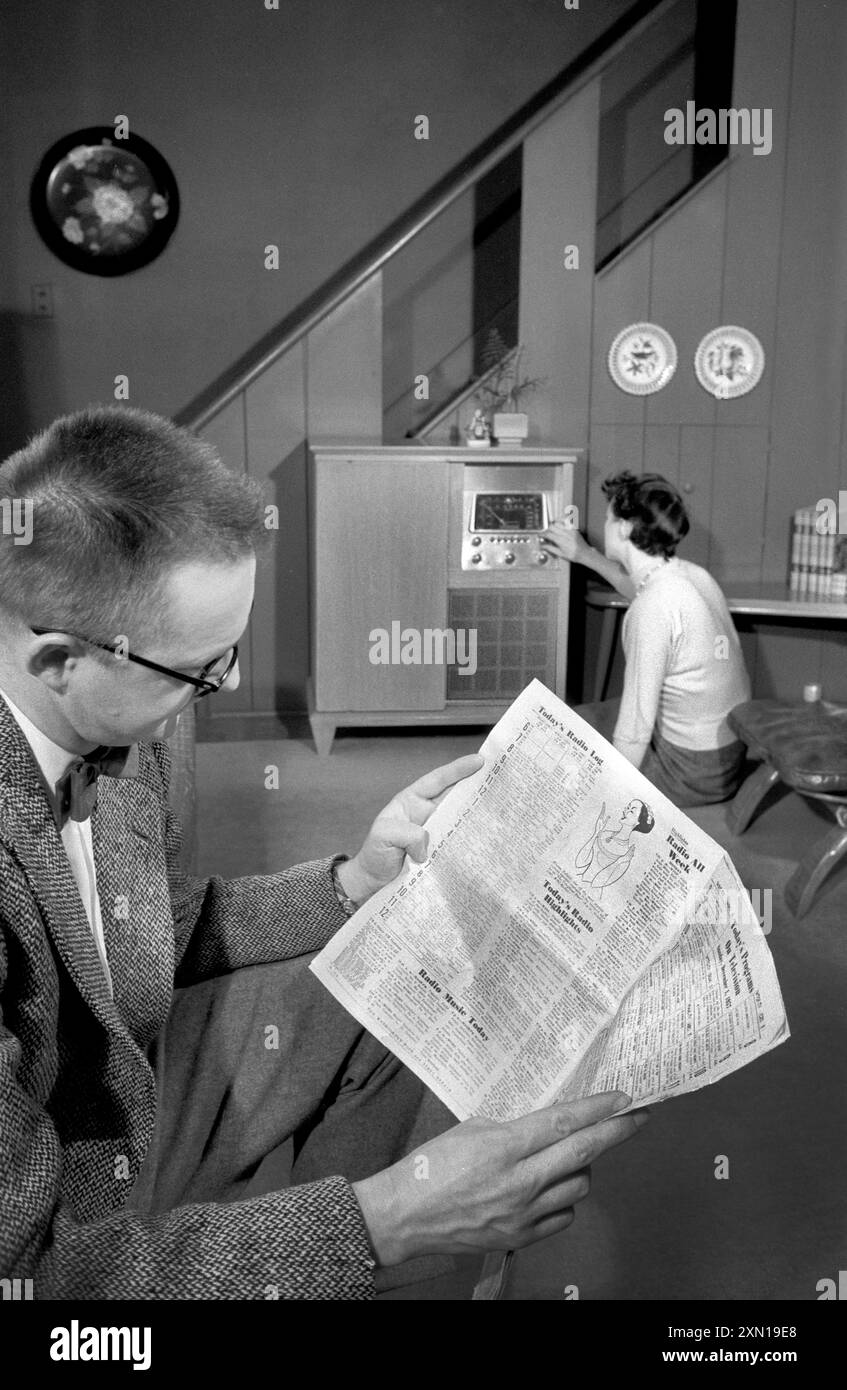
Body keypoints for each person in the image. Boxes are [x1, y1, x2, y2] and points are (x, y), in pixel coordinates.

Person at [0, 406, 649, 1300]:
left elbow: (147, 923)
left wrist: (354, 882)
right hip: (56, 1197)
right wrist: (384, 1223)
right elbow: (39, 1279)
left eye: (232, 652)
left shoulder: (114, 718)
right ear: (59, 660)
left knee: (407, 967)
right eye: (200, 670)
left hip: (121, 1070)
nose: (223, 688)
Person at [543, 471, 751, 807]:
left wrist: (607, 798)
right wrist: (583, 554)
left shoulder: (651, 609)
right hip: (728, 756)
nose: (605, 524)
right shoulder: (691, 576)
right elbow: (638, 588)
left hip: (690, 772)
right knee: (581, 719)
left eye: (609, 518)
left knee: (561, 743)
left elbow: (636, 725)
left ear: (625, 528)